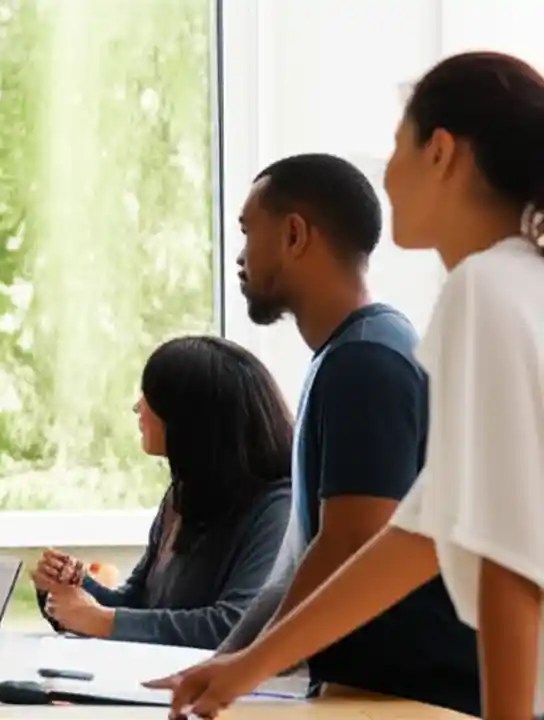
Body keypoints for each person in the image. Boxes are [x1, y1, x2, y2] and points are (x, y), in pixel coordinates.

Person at [146, 50, 544, 720]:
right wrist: (249, 664)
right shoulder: (515, 285)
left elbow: (512, 561)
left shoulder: (485, 290)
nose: (386, 175)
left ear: (440, 151)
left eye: (397, 146)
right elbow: (419, 535)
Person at [160, 152, 480, 712]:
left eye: (246, 231)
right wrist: (222, 663)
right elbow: (300, 561)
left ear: (293, 234)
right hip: (371, 691)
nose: (240, 256)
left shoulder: (366, 362)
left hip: (413, 698)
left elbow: (351, 542)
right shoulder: (349, 355)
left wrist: (250, 667)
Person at [30, 335, 293, 649]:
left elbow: (234, 627)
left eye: (150, 398)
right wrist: (75, 586)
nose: (137, 408)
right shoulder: (183, 495)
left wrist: (101, 620)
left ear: (190, 418)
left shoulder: (277, 509)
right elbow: (140, 604)